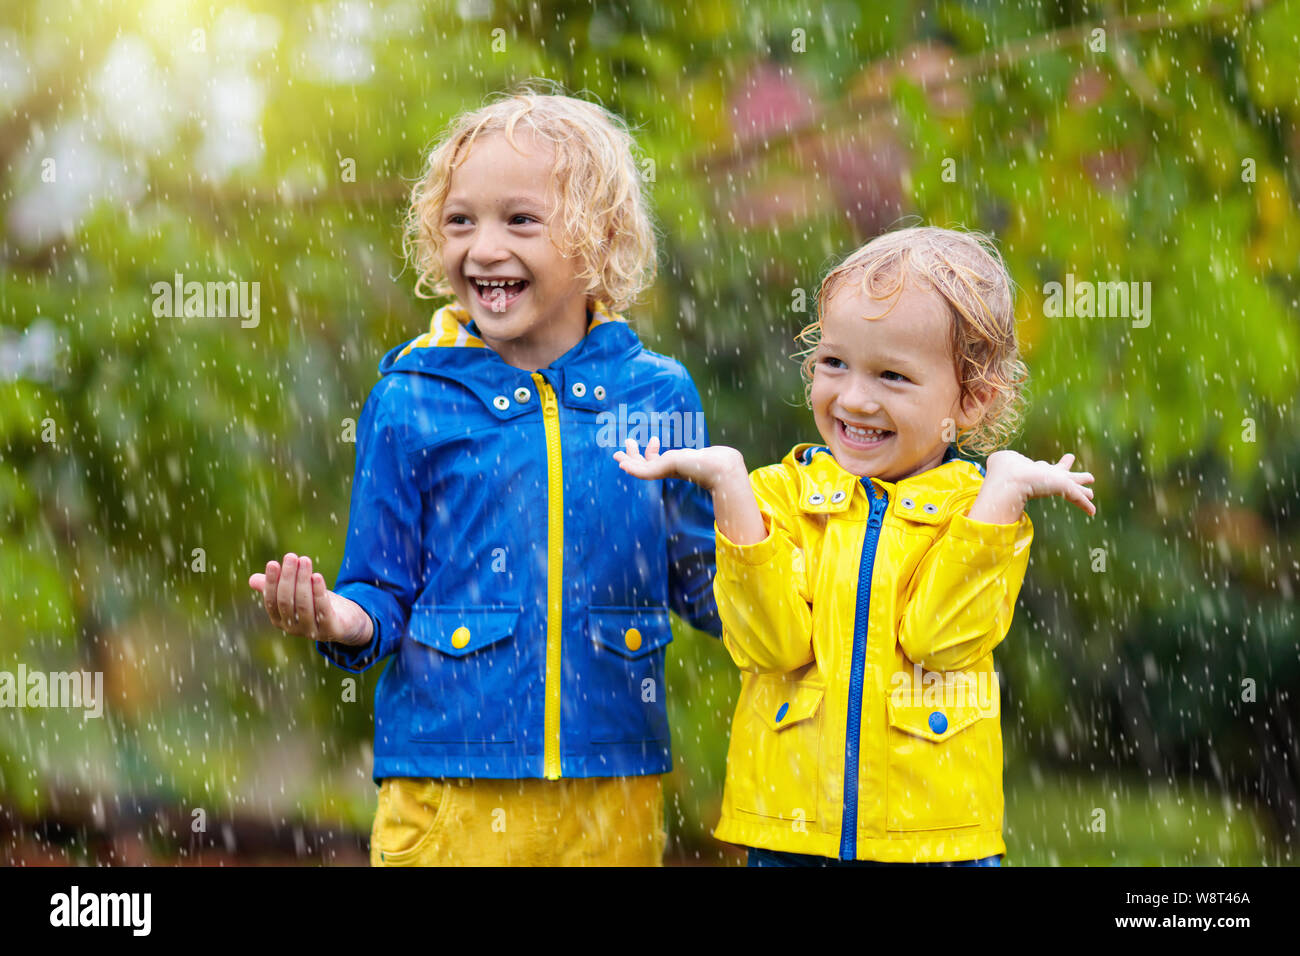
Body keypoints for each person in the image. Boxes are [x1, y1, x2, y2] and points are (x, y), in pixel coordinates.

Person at [249, 85, 720, 866]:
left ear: (596, 236)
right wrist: (340, 618)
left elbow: (705, 581)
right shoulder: (410, 400)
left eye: (520, 220)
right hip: (449, 789)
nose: (483, 248)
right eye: (460, 220)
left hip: (612, 792)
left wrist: (801, 589)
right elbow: (381, 590)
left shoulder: (658, 395)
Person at [616, 225, 1096, 865]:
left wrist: (1001, 499)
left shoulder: (976, 510)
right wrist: (730, 486)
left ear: (973, 399)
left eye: (892, 375)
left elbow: (940, 640)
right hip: (789, 834)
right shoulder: (779, 496)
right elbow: (770, 644)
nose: (854, 398)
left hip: (931, 840)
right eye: (834, 363)